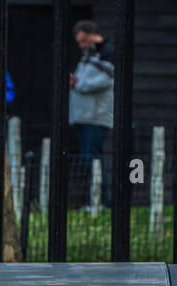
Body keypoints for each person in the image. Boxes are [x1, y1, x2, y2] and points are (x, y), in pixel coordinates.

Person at [69, 19, 113, 211]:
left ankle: (101, 200)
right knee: (88, 159)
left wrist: (77, 84)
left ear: (93, 35)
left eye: (84, 41)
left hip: (96, 115)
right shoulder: (88, 55)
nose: (82, 46)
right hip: (83, 115)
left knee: (93, 158)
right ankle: (94, 200)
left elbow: (105, 80)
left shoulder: (107, 52)